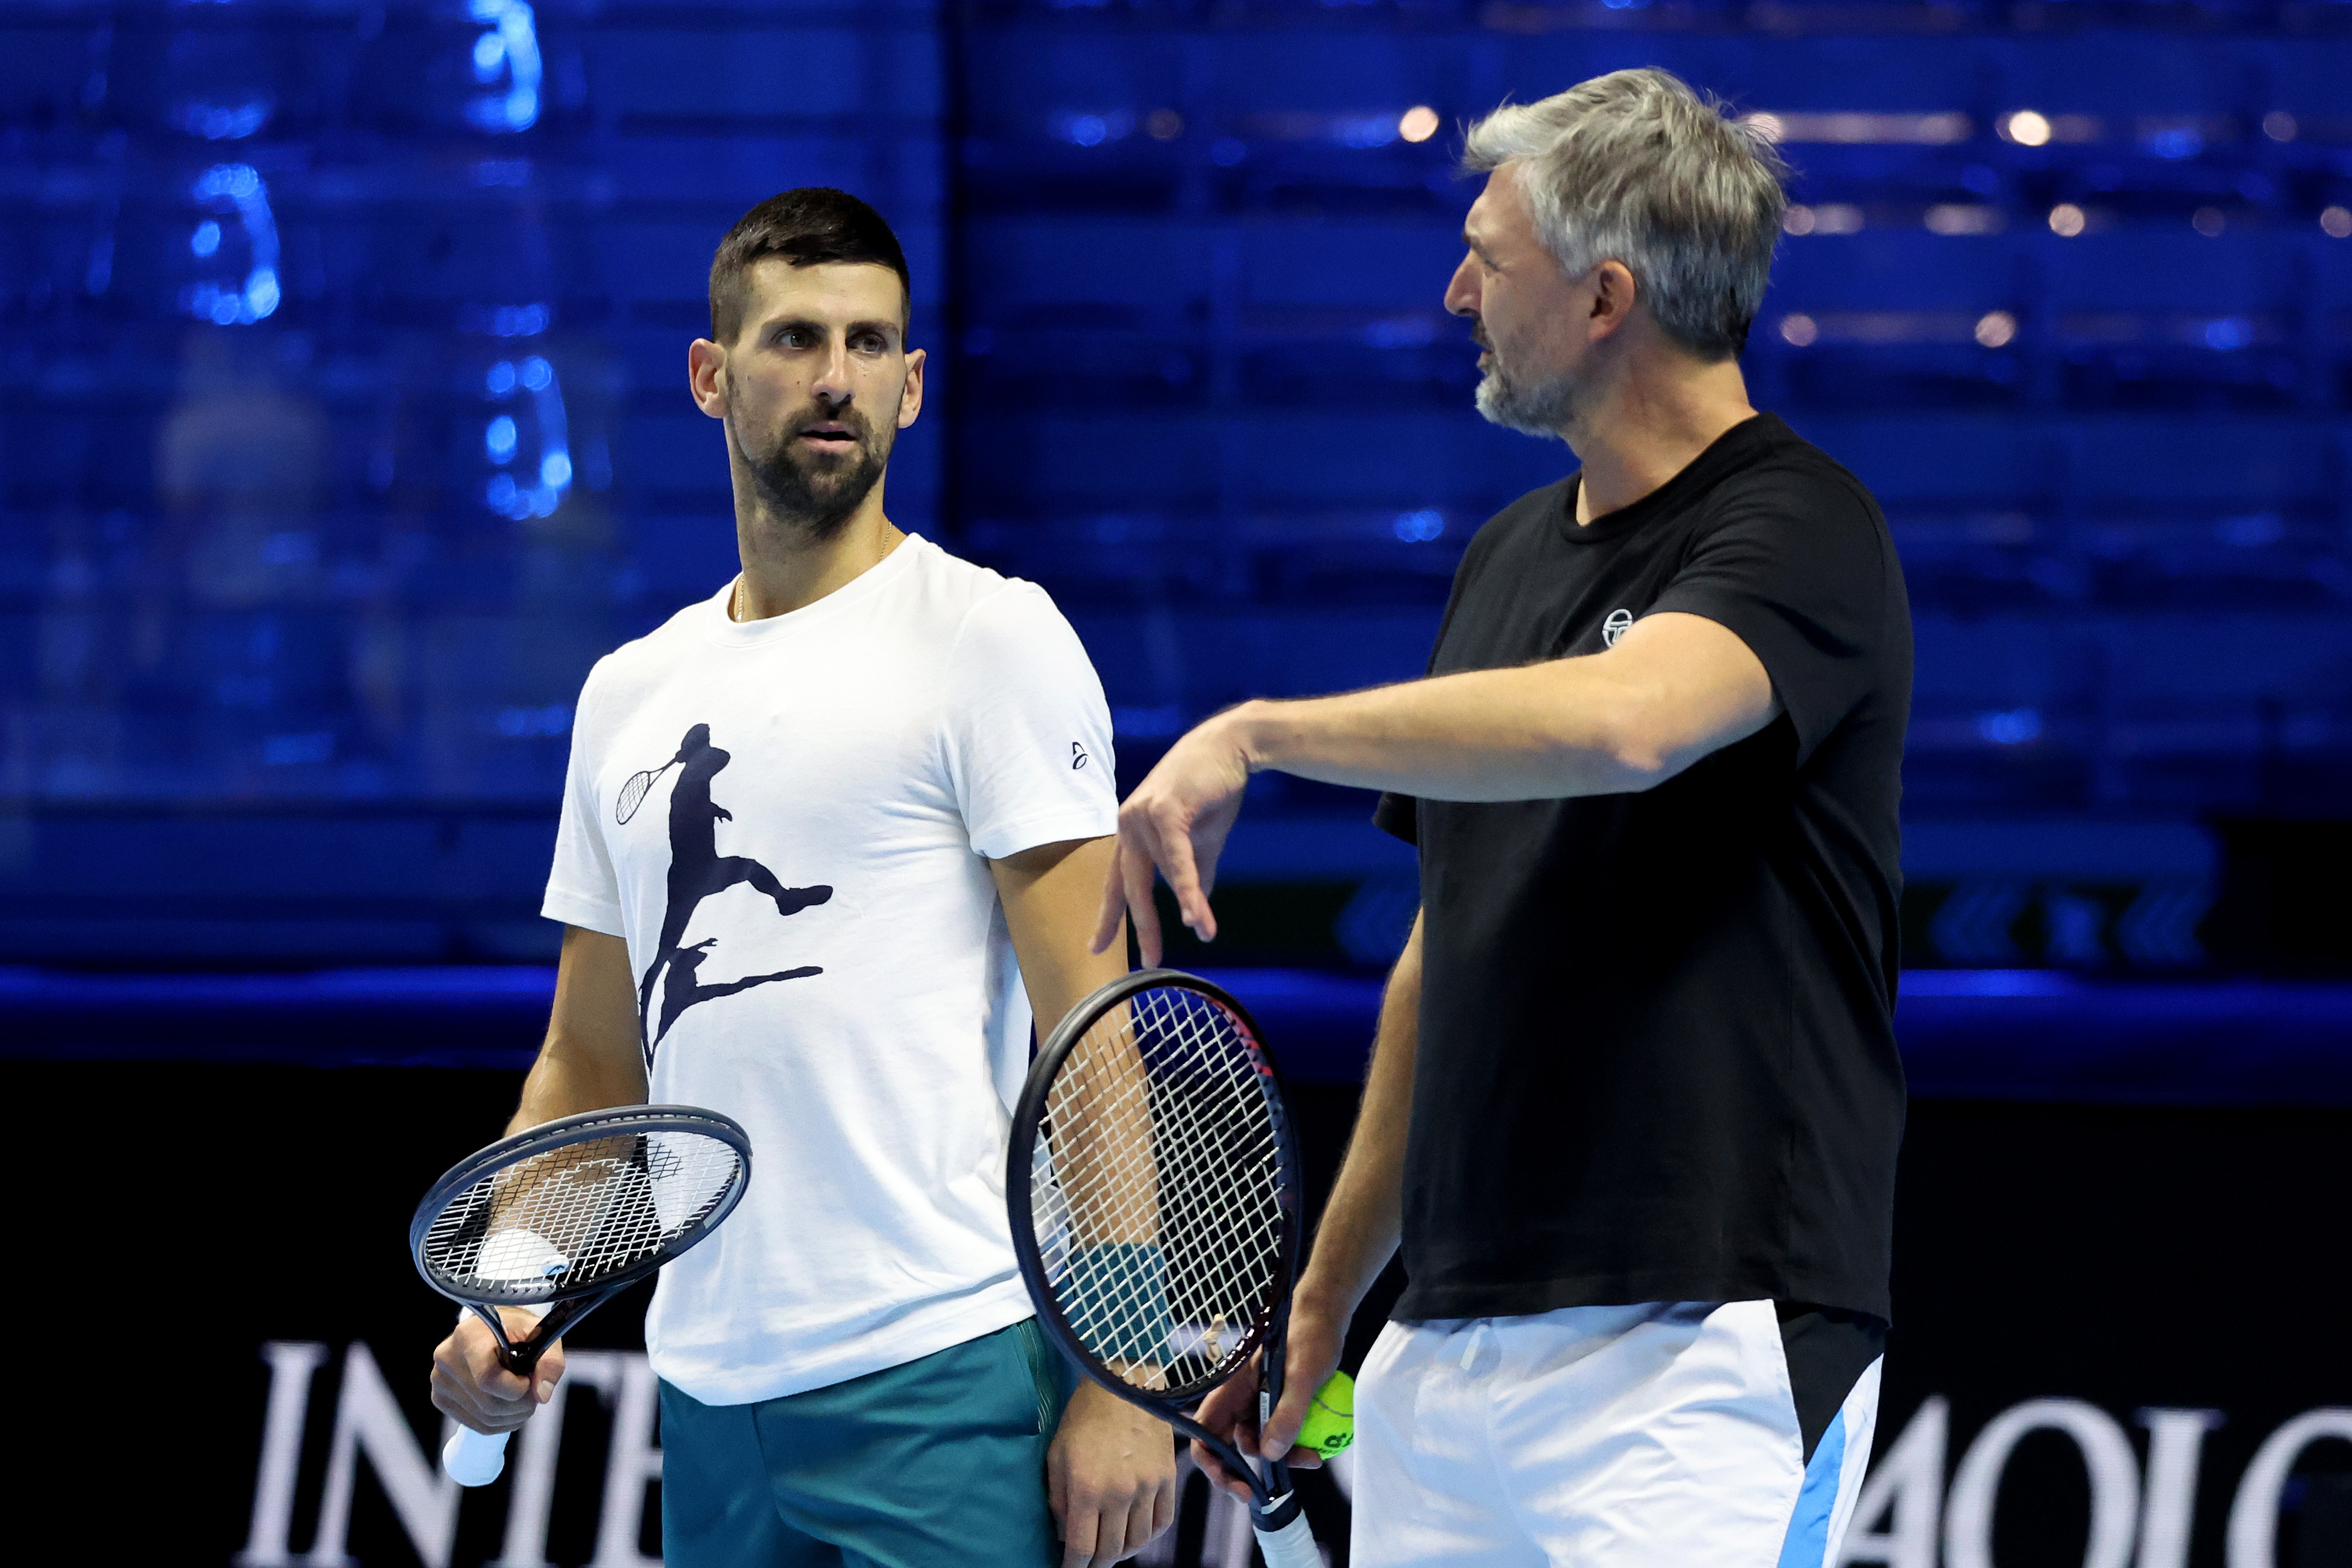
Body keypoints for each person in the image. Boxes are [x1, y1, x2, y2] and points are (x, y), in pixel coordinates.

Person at [1098, 70, 1912, 1568]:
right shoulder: (1503, 560)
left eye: (1492, 256)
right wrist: (1326, 1298)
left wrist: (1259, 733)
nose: (1457, 289)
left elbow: (1629, 722)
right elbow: (1445, 957)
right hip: (1448, 1343)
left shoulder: (1803, 526)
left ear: (1608, 297)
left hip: (1696, 1345)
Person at [430, 188, 1177, 1568]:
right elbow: (592, 1059)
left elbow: (1096, 1025)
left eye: (869, 342)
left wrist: (1123, 1373)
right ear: (713, 378)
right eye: (794, 339)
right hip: (709, 1400)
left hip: (942, 1371)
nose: (837, 377)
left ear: (913, 382)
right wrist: (513, 1295)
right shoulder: (627, 694)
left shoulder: (994, 639)